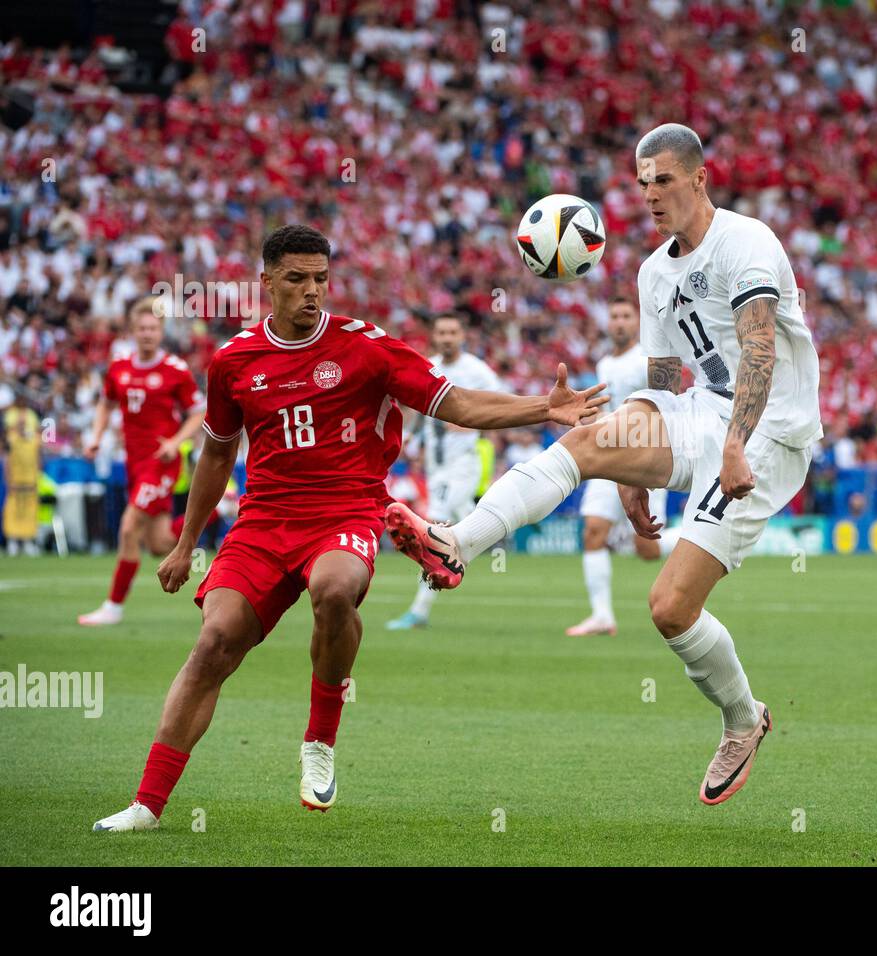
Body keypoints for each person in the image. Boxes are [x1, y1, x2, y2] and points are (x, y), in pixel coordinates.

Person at [92, 224, 607, 832]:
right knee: (213, 644)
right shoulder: (232, 362)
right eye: (296, 279)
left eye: (320, 279)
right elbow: (215, 454)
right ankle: (147, 805)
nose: (311, 291)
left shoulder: (367, 348)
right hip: (263, 522)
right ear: (266, 282)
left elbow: (458, 403)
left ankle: (319, 742)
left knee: (333, 590)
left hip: (348, 510)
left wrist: (542, 408)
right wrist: (184, 544)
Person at [386, 123, 822, 805]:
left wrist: (736, 443)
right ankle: (455, 541)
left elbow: (759, 350)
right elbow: (661, 379)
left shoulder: (748, 242)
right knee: (587, 441)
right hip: (701, 413)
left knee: (670, 609)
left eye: (663, 179)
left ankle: (744, 719)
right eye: (641, 181)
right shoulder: (653, 273)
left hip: (769, 432)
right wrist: (626, 470)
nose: (649, 193)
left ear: (699, 178)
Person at [78, 297, 207, 626]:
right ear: (132, 331)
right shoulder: (119, 367)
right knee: (158, 543)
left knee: (127, 527)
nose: (148, 333)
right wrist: (95, 437)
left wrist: (177, 442)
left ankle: (113, 607)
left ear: (160, 331)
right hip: (134, 463)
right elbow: (106, 405)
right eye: (142, 328)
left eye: (153, 328)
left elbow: (197, 411)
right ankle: (213, 515)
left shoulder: (175, 370)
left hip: (161, 462)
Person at [567, 295, 679, 636]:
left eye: (625, 315)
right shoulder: (604, 364)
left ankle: (703, 535)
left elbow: (668, 399)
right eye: (613, 315)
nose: (618, 321)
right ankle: (602, 617)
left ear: (636, 321)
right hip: (608, 455)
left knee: (647, 548)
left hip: (644, 457)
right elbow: (612, 410)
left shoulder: (646, 358)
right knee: (593, 532)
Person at [387, 313, 505, 631]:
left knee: (434, 524)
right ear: (434, 336)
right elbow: (419, 409)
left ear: (462, 334)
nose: (447, 337)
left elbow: (501, 403)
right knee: (462, 516)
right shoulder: (429, 365)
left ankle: (419, 610)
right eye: (442, 332)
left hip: (464, 463)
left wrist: (474, 424)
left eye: (453, 332)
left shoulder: (477, 372)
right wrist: (409, 436)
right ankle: (493, 527)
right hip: (435, 465)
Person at [2, 395, 42, 556]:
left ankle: (28, 541)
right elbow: (7, 460)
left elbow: (39, 458)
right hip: (16, 479)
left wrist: (38, 476)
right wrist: (8, 478)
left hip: (30, 478)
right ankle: (12, 540)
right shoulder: (11, 440)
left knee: (30, 509)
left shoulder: (34, 441)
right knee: (13, 509)